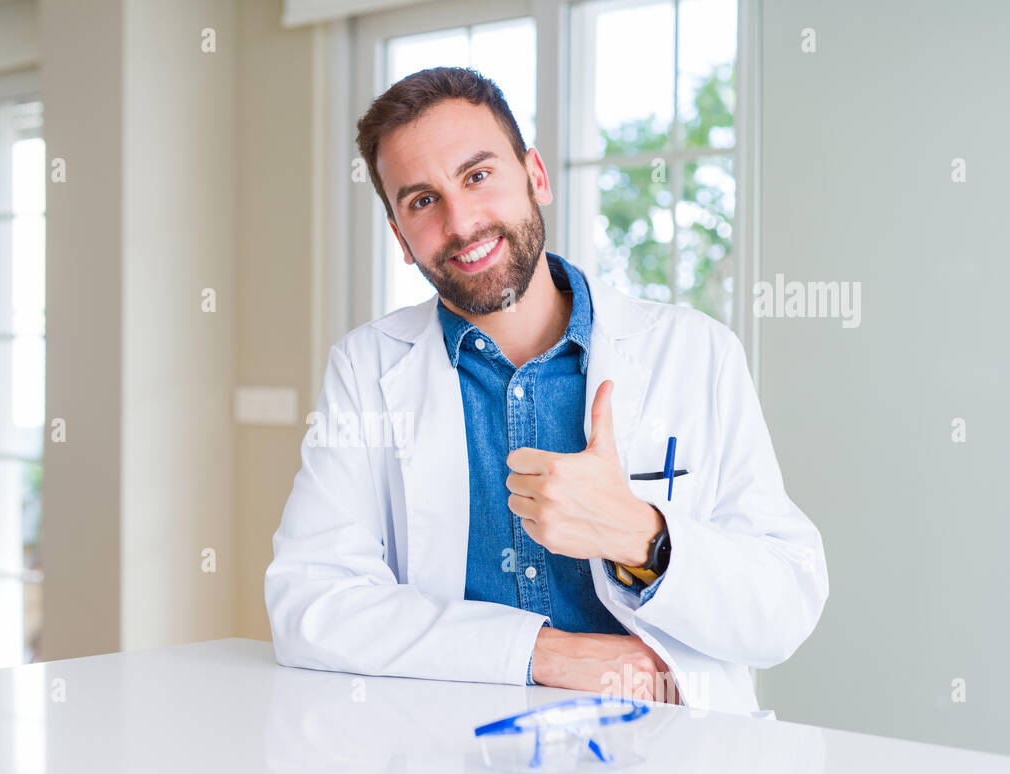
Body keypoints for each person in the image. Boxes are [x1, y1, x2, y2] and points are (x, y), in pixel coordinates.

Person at [264, 67, 828, 716]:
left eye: (478, 176)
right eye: (422, 200)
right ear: (398, 235)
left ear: (535, 175)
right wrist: (544, 654)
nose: (462, 221)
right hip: (452, 759)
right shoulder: (365, 369)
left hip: (667, 767)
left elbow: (787, 602)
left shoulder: (696, 354)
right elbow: (309, 602)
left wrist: (642, 536)